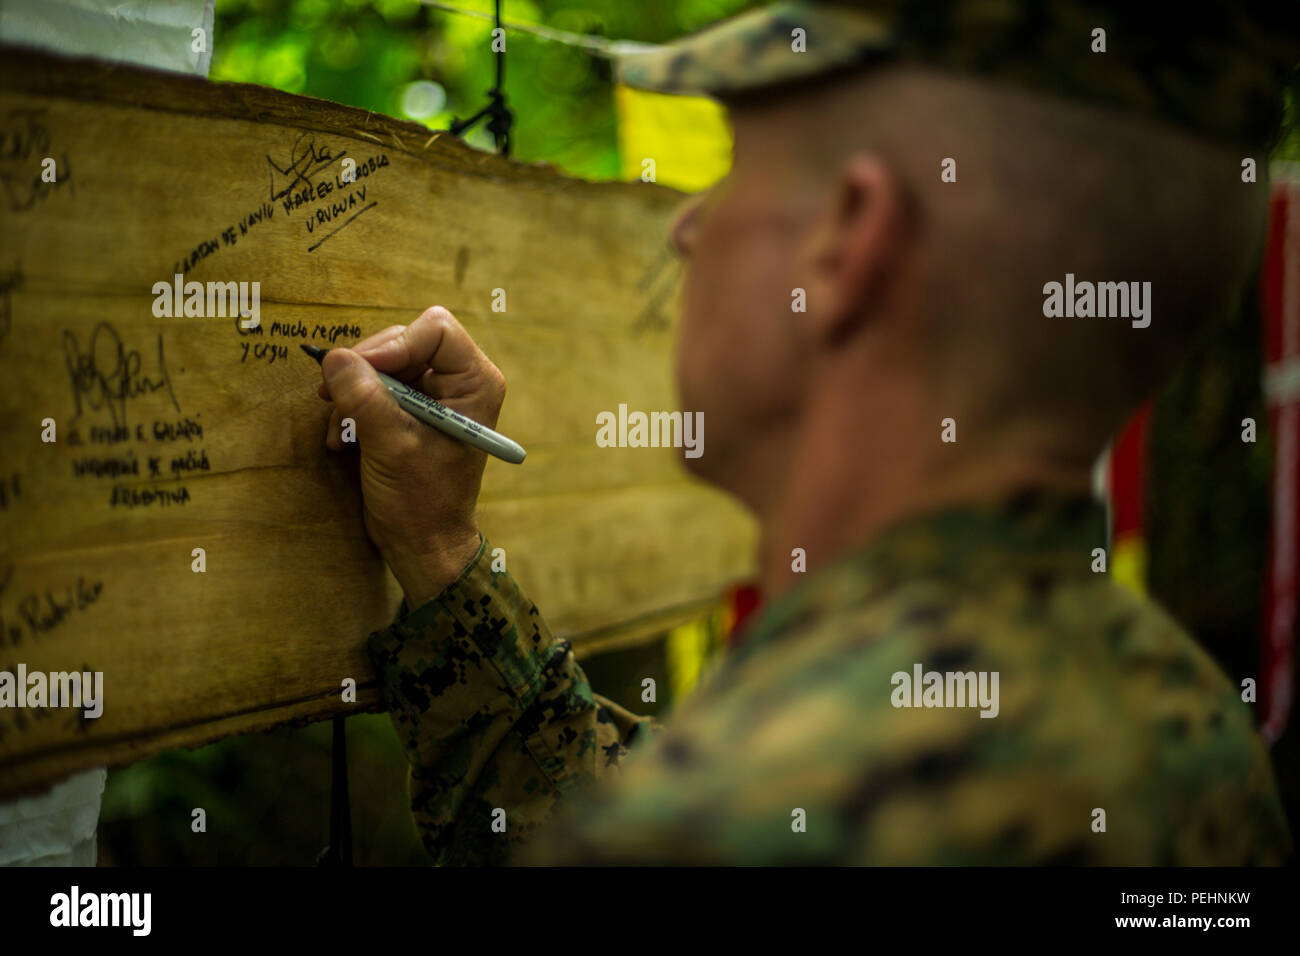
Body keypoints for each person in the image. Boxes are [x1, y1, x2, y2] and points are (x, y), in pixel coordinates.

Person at [314, 0, 1296, 864]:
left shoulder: (727, 820)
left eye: (737, 168)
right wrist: (443, 555)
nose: (685, 227)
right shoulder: (1186, 718)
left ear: (844, 241)